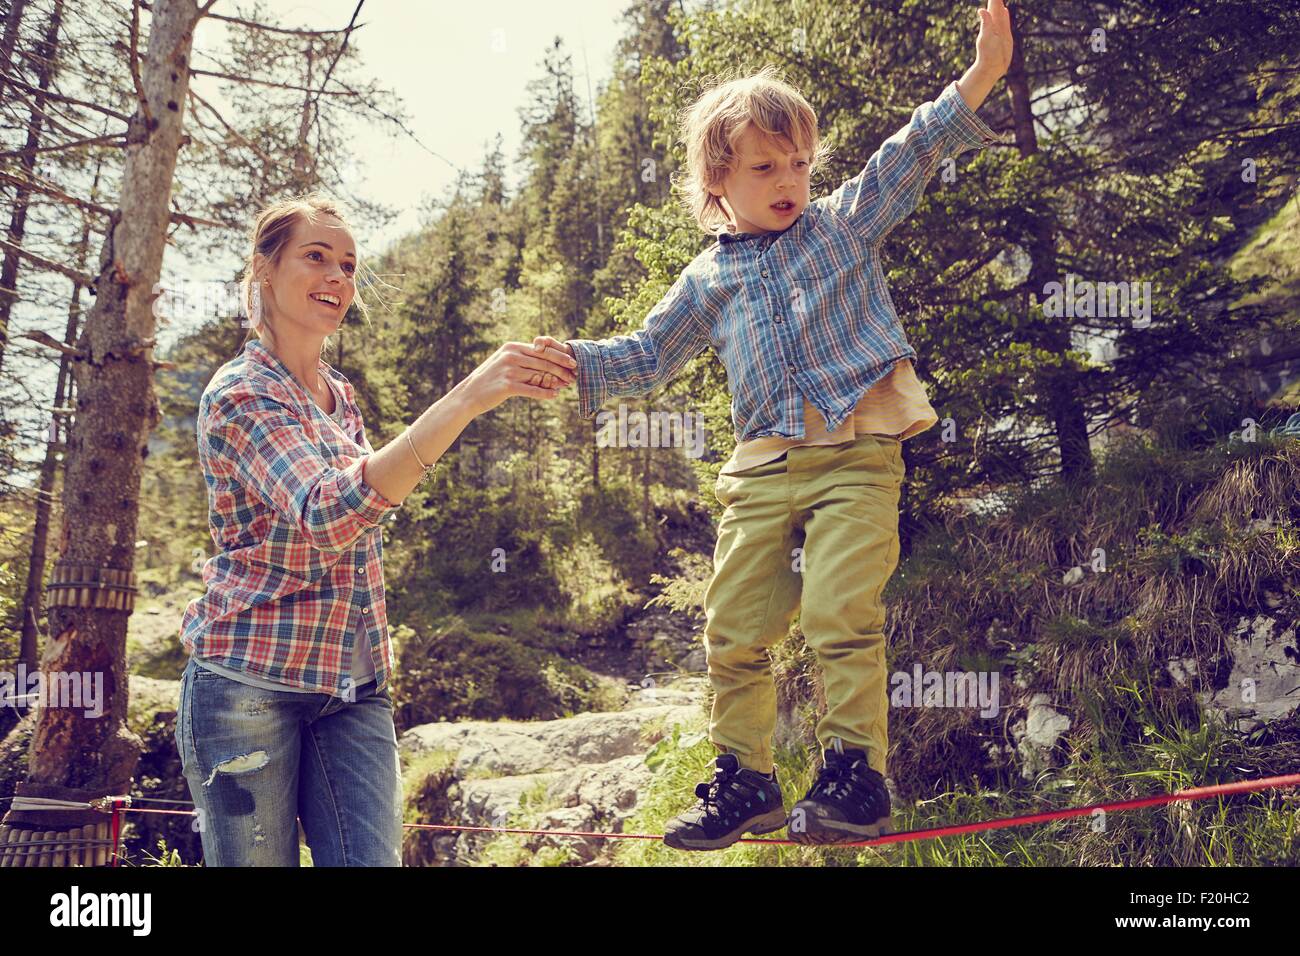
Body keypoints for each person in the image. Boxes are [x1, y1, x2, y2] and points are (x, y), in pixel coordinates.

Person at [532, 0, 1014, 849]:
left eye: (796, 161)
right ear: (717, 182)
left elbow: (912, 154)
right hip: (760, 471)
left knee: (838, 611)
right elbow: (646, 357)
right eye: (764, 167)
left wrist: (979, 78)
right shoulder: (706, 279)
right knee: (733, 628)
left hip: (859, 452)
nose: (788, 179)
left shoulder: (843, 225)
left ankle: (857, 776)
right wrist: (566, 362)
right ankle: (746, 780)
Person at [174, 193, 577, 866]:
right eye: (316, 257)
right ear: (265, 270)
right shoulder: (241, 394)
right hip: (247, 685)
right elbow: (333, 513)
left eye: (349, 265)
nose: (337, 276)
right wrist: (469, 396)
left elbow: (361, 524)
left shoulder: (340, 395)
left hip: (354, 689)